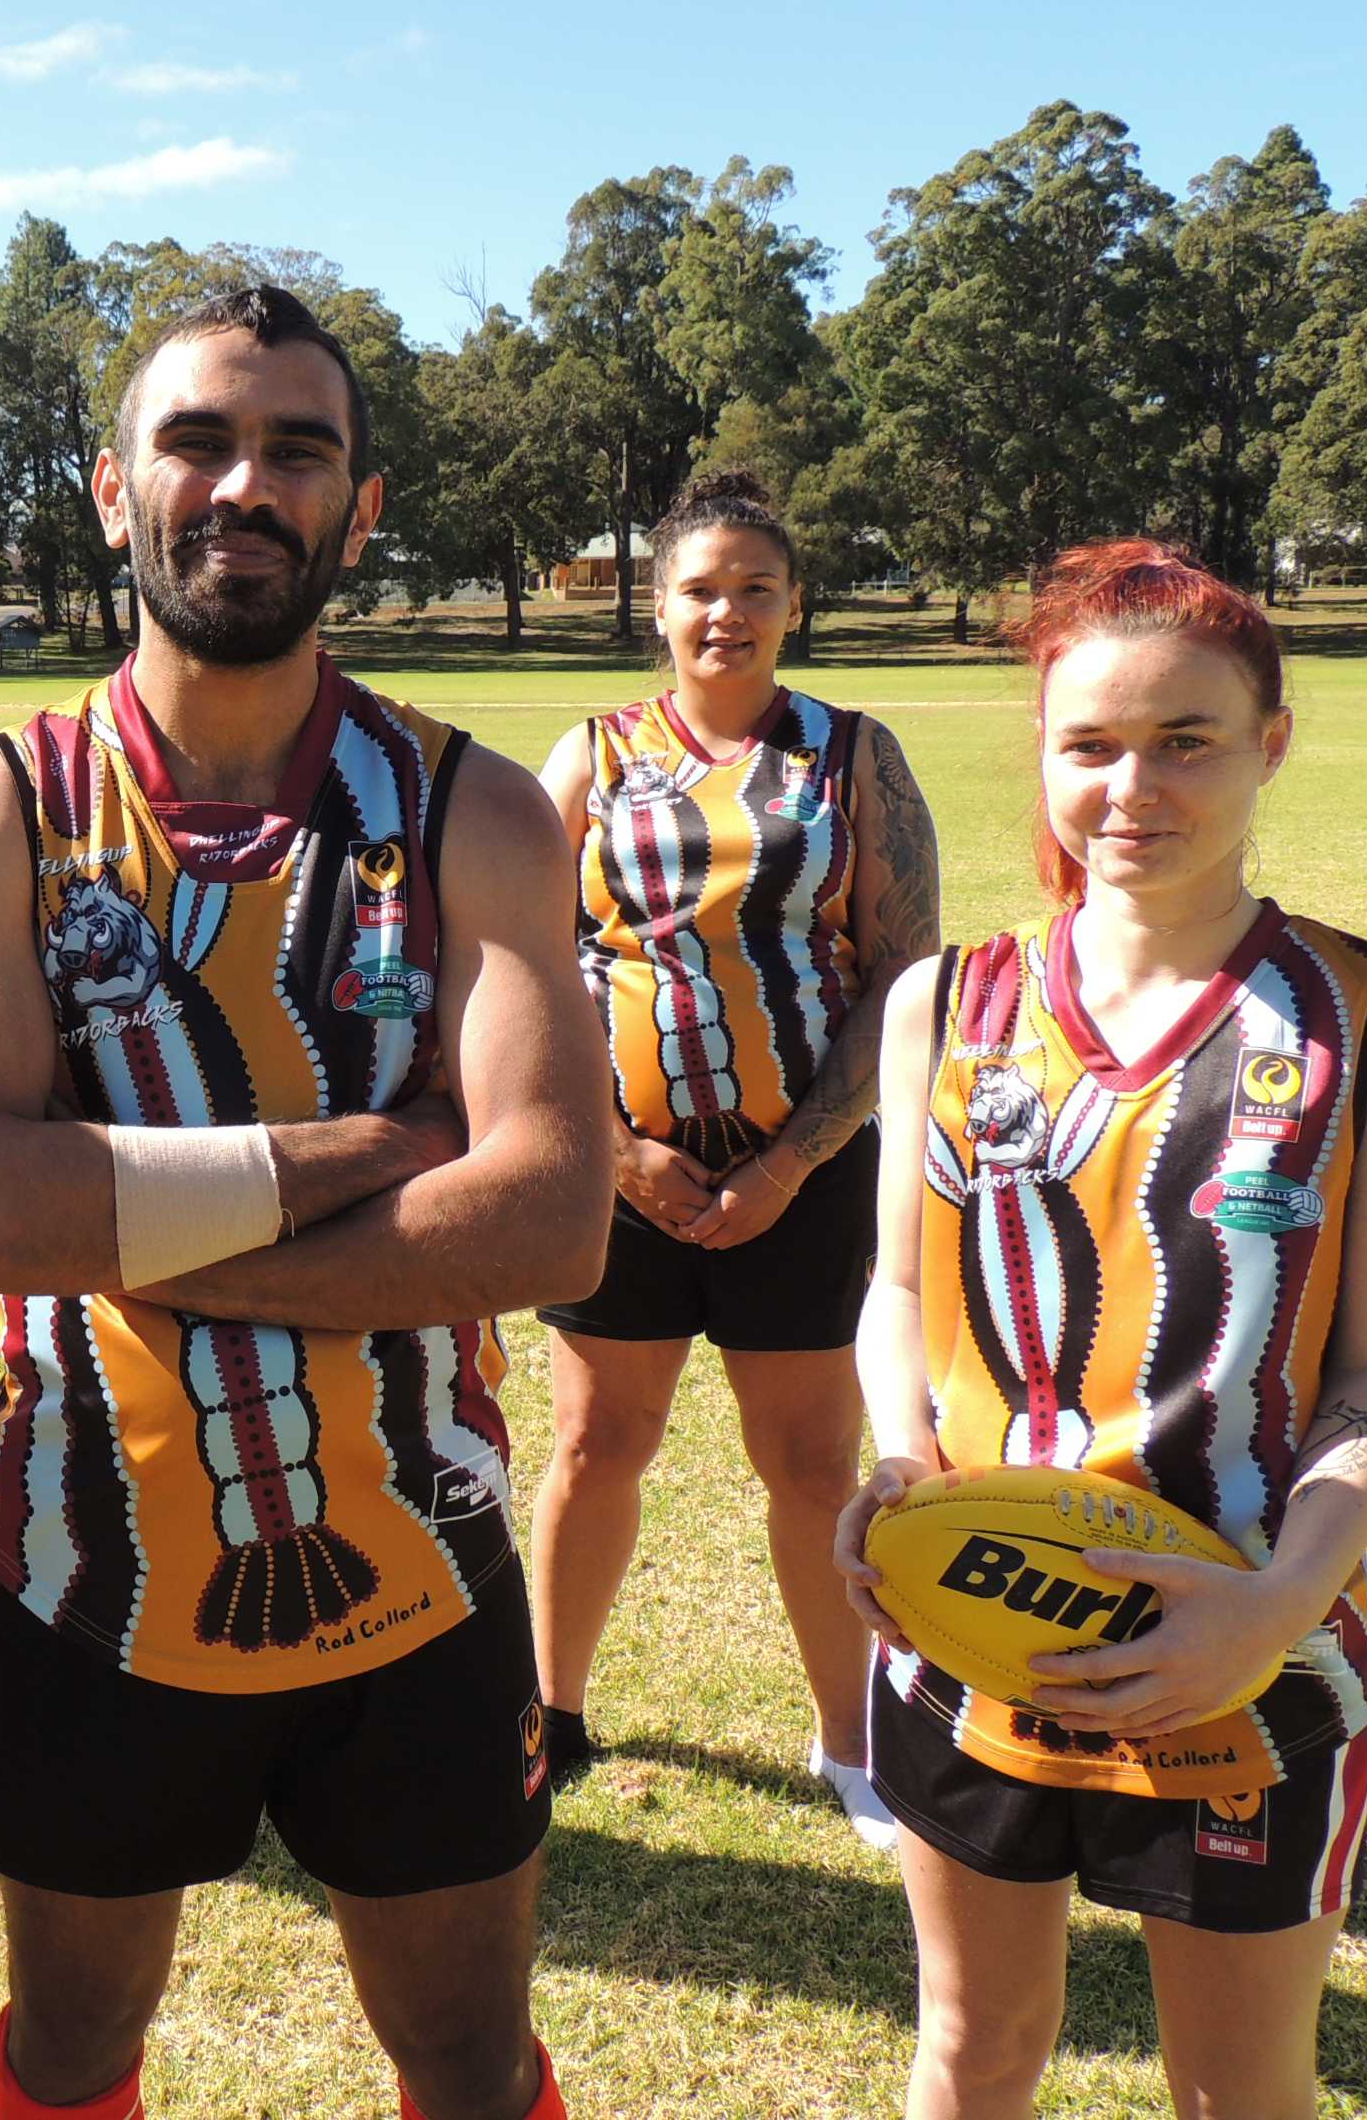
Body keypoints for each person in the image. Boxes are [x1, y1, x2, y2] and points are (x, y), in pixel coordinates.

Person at [0, 286, 612, 2120]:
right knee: (69, 2050)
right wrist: (364, 1152)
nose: (245, 484)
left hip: (427, 1560)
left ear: (359, 509)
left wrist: (138, 1227)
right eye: (199, 440)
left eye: (298, 450)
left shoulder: (474, 810)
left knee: (462, 2056)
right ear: (111, 489)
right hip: (91, 1560)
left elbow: (548, 1222)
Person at [835, 541, 1367, 2119]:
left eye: (1187, 739)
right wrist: (905, 1457)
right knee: (973, 2052)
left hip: (1250, 1661)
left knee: (1237, 2090)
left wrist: (1267, 1608)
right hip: (971, 1634)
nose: (1135, 785)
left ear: (1271, 741)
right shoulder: (946, 999)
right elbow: (901, 1292)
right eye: (1092, 745)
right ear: (1043, 754)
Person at [525, 469, 939, 1841]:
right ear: (658, 606)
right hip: (626, 1180)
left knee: (814, 1466)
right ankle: (551, 1712)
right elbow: (526, 970)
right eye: (700, 588)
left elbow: (902, 977)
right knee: (595, 1442)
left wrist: (793, 1160)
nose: (728, 613)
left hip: (801, 1180)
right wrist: (626, 1151)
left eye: (756, 588)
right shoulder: (592, 755)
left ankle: (854, 1739)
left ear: (794, 602)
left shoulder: (852, 755)